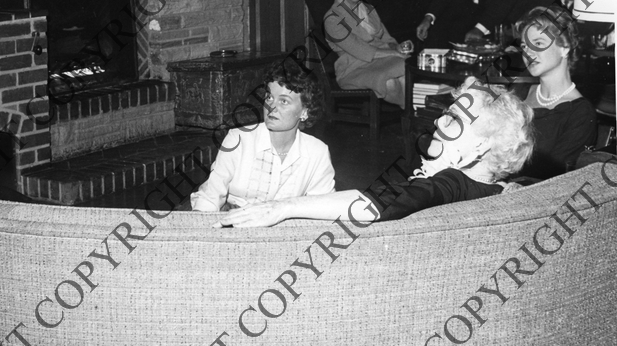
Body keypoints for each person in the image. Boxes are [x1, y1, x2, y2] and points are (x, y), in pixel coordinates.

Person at [217, 78, 534, 227]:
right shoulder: (500, 191)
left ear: (478, 148)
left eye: (452, 119)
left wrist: (281, 207)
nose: (438, 120)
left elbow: (376, 205)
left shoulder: (451, 184)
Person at [190, 60, 335, 211]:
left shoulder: (317, 152)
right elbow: (210, 197)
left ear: (305, 112)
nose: (271, 108)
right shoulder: (238, 139)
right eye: (269, 98)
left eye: (284, 101)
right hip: (231, 221)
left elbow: (323, 207)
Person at [516, 6, 596, 182]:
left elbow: (550, 180)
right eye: (524, 46)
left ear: (565, 47)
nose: (528, 53)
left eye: (538, 43)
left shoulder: (580, 113)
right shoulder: (518, 96)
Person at [323, 0, 412, 108]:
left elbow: (386, 38)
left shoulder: (369, 9)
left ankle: (411, 119)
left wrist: (399, 47)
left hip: (381, 61)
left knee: (405, 74)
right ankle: (412, 117)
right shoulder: (332, 18)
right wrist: (394, 53)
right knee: (390, 82)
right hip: (353, 69)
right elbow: (362, 50)